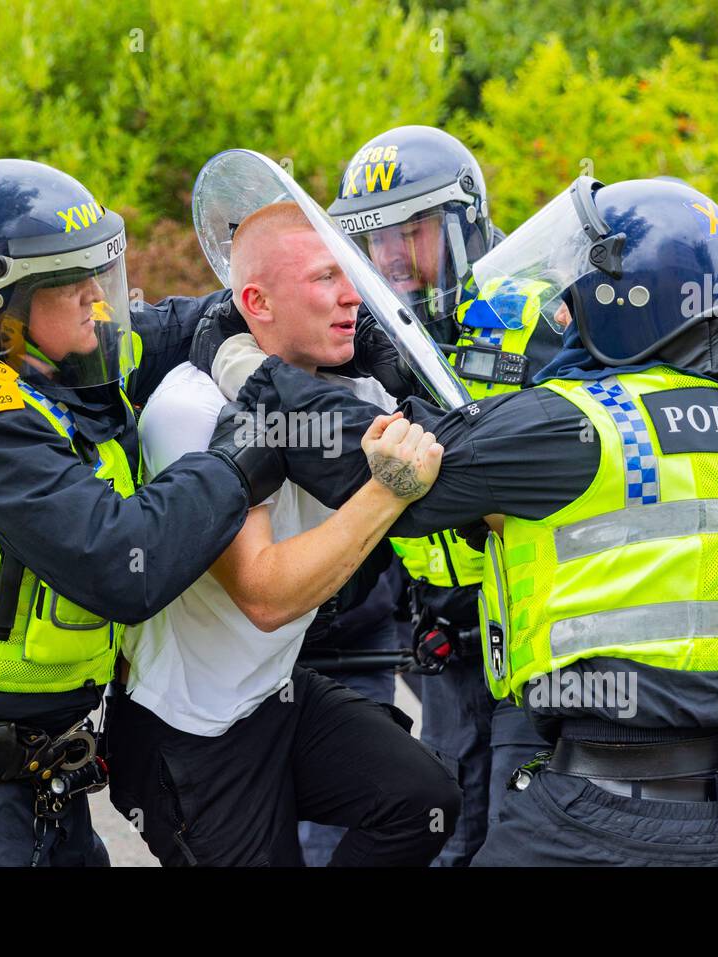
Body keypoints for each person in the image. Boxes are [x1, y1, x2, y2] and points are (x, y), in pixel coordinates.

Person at [209, 176, 718, 867]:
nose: (561, 302)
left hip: (598, 816)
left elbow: (390, 467)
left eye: (578, 281)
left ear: (627, 298)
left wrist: (251, 372)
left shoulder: (587, 425)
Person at [0, 158, 285, 867]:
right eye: (66, 284)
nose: (95, 301)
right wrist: (237, 464)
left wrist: (262, 306)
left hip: (39, 760)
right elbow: (120, 563)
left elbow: (173, 324)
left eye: (95, 275)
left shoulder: (53, 354)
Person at [107, 201, 462, 867]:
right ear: (256, 302)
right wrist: (387, 490)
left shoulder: (353, 389)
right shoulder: (194, 408)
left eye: (352, 274)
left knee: (422, 799)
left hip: (275, 696)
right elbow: (264, 595)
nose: (354, 296)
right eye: (326, 278)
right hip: (191, 732)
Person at [326, 125, 562, 865]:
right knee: (447, 829)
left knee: (525, 832)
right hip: (443, 638)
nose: (391, 255)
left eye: (411, 231)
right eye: (375, 238)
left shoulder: (541, 315)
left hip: (536, 632)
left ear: (463, 221)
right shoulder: (370, 328)